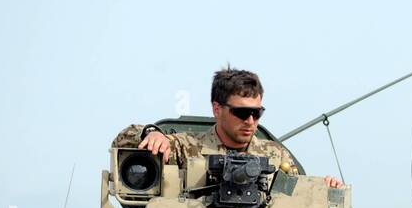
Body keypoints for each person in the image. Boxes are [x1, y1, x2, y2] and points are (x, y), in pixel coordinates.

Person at [113, 67, 342, 187]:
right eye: (242, 112)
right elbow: (121, 140)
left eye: (256, 113)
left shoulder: (275, 155)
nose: (250, 121)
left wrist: (324, 188)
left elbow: (297, 193)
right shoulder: (185, 148)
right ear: (217, 109)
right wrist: (151, 134)